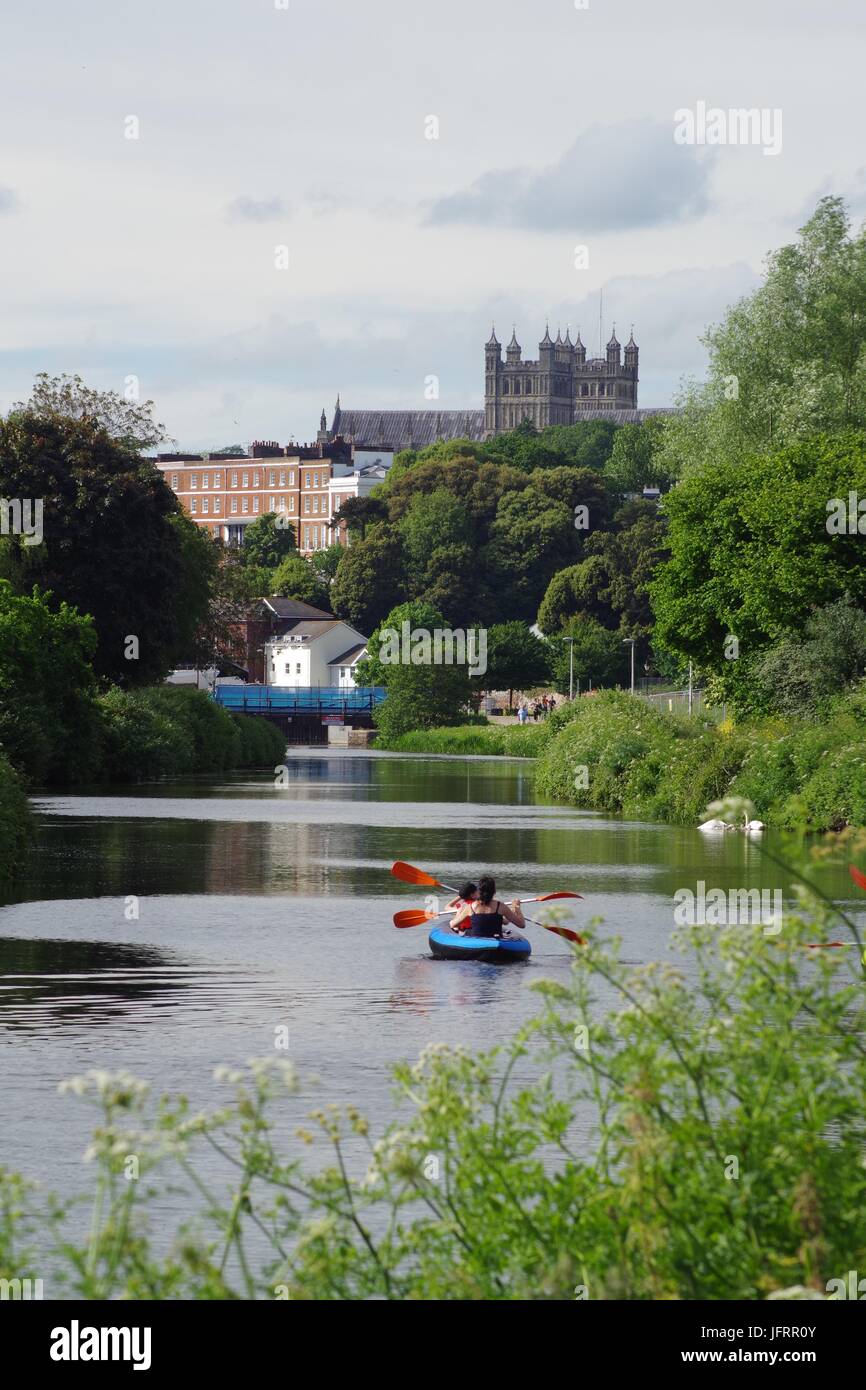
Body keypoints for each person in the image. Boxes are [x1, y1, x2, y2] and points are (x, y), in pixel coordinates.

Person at [449, 874, 526, 938]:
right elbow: (521, 925)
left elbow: (453, 924)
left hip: (476, 941)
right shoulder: (501, 906)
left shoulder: (471, 907)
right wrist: (517, 908)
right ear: (494, 891)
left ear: (479, 891)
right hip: (495, 938)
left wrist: (452, 920)